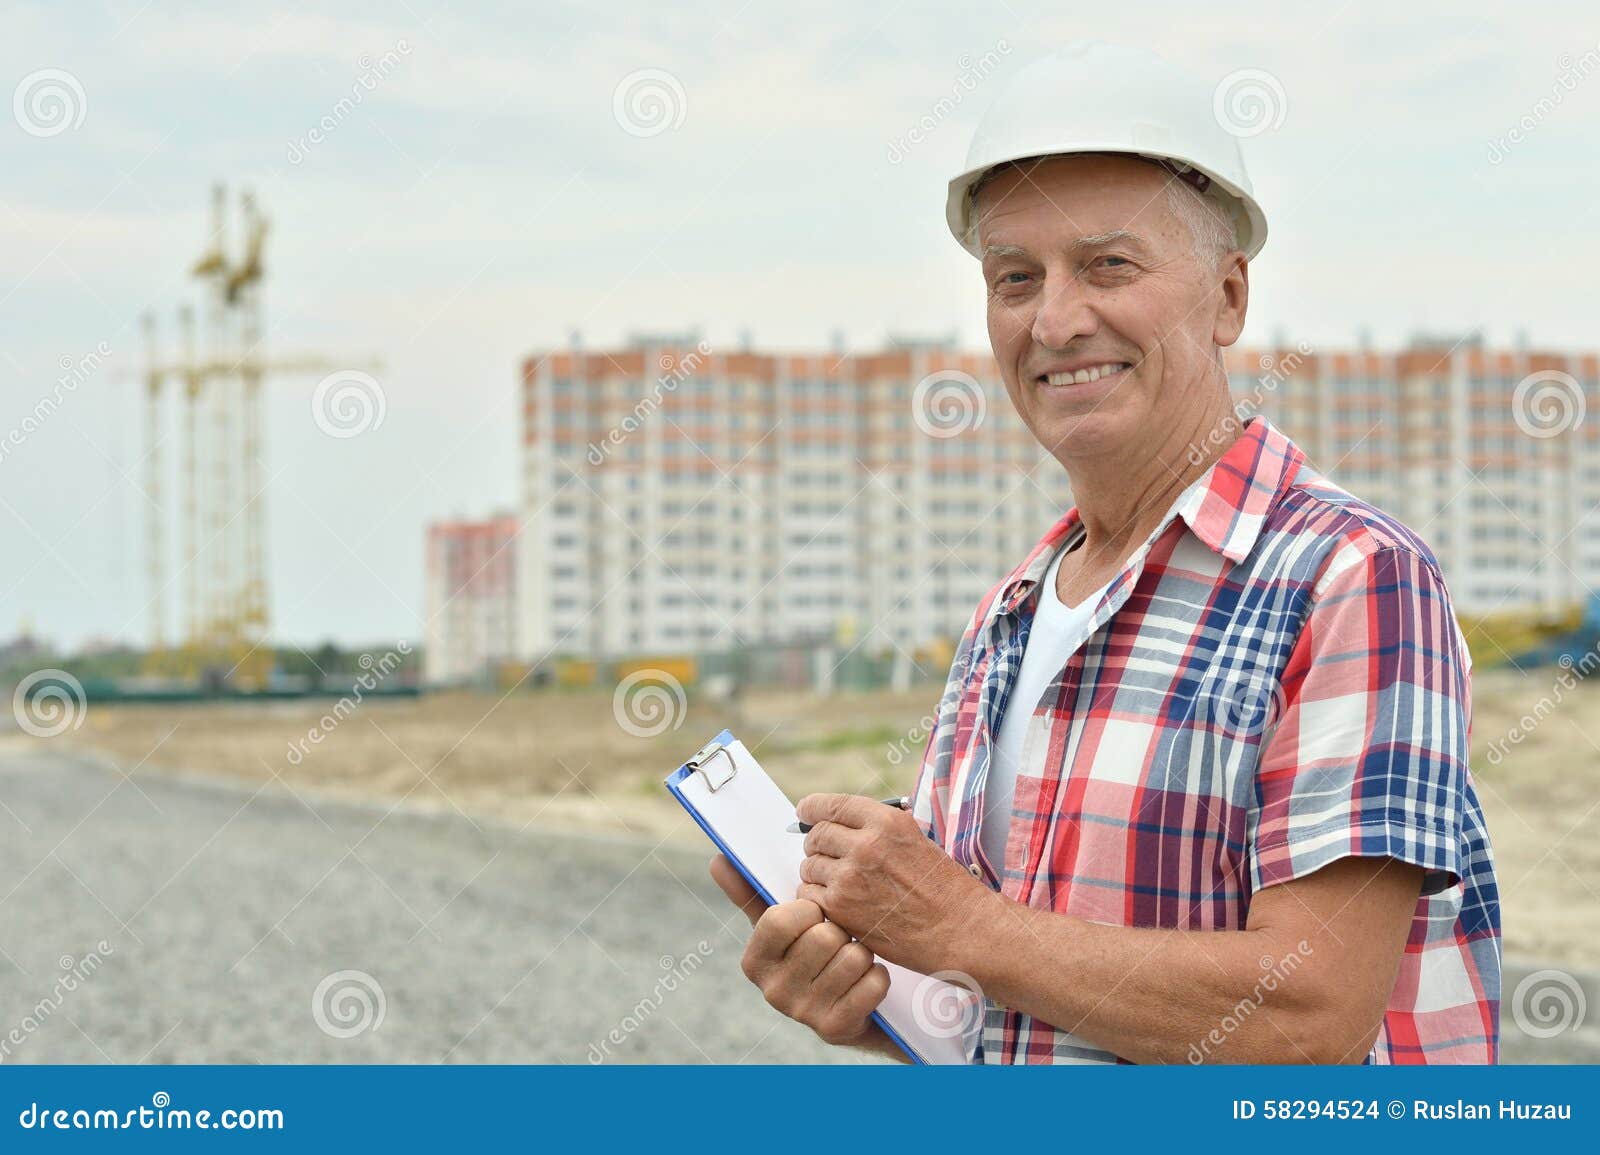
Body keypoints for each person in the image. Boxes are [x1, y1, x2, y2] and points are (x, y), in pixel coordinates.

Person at [712, 40, 1500, 1064]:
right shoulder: (1013, 611)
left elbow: (1308, 1016)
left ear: (1227, 297)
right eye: (1013, 278)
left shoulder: (1348, 576)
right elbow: (1018, 1003)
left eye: (1108, 266)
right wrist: (869, 991)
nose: (1053, 320)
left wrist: (958, 925)